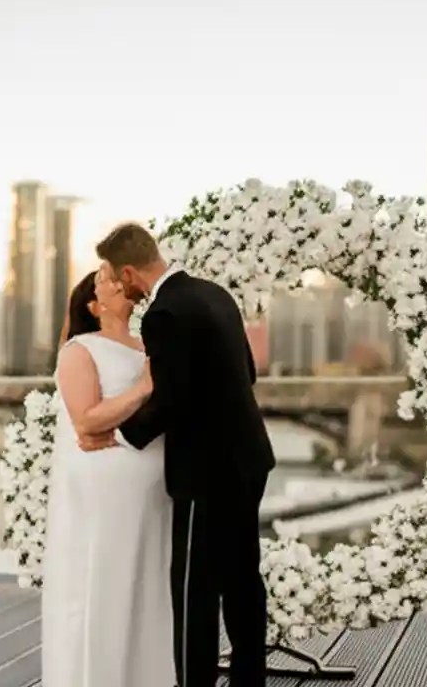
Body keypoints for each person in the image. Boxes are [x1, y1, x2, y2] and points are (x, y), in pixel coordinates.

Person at [90, 223, 276, 687]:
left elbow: (170, 398)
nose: (117, 283)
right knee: (242, 576)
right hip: (250, 457)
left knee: (195, 586)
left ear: (130, 271)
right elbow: (247, 373)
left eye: (116, 275)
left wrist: (121, 434)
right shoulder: (216, 294)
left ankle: (195, 682)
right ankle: (249, 679)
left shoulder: (164, 314)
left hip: (207, 471)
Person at [41, 270, 176, 687]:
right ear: (92, 304)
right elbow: (87, 419)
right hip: (104, 497)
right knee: (103, 585)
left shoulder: (148, 345)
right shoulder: (80, 350)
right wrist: (143, 388)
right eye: (109, 284)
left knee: (146, 588)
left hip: (152, 497)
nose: (120, 286)